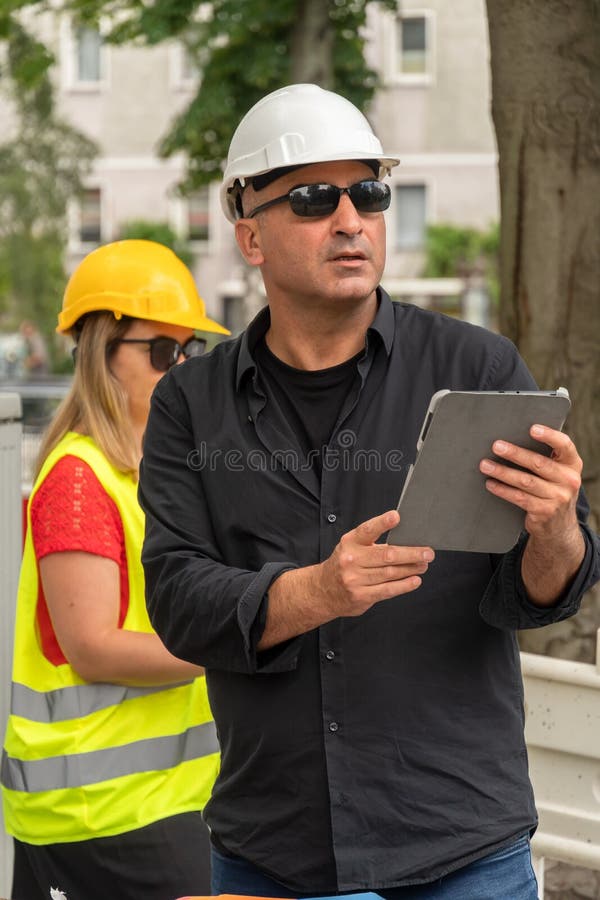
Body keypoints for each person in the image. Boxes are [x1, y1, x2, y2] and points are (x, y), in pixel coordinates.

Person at [138, 85, 600, 900]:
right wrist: (313, 592)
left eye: (369, 193)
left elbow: (538, 594)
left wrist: (555, 529)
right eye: (315, 198)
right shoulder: (189, 403)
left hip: (460, 849)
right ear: (250, 233)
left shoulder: (478, 371)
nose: (350, 219)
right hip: (272, 854)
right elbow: (177, 599)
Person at [1, 240, 229, 900]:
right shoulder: (79, 479)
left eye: (191, 351)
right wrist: (238, 641)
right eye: (163, 352)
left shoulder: (150, 471)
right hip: (99, 808)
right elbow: (93, 647)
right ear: (103, 353)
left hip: (151, 800)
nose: (181, 368)